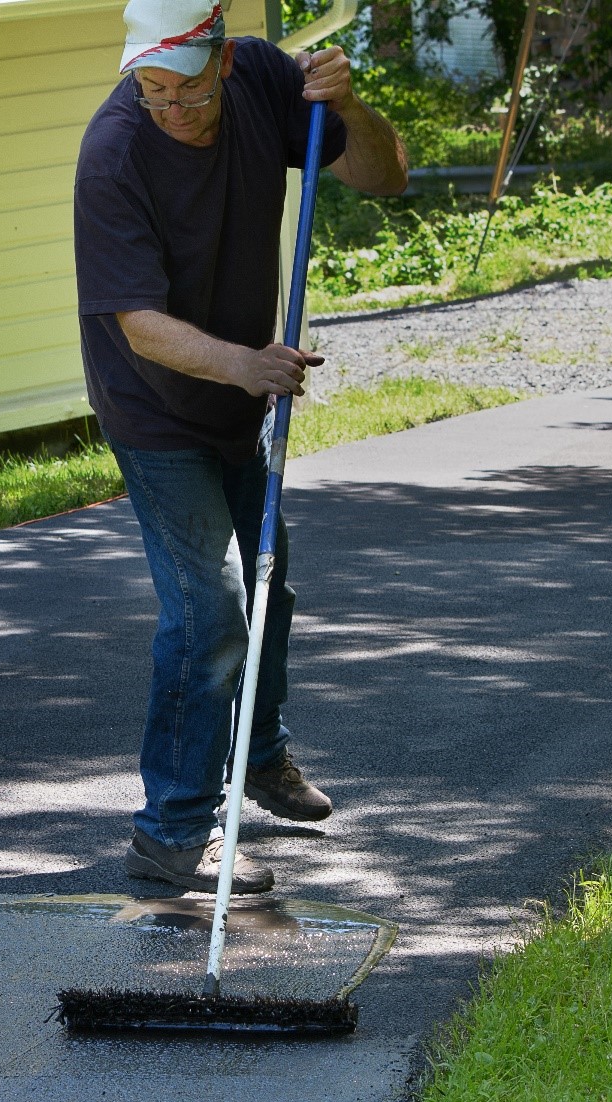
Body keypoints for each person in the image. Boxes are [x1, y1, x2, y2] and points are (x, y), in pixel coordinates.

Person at [74, 0, 407, 893]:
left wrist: (348, 106)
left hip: (236, 403)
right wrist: (247, 365)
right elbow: (138, 325)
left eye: (185, 92)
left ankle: (258, 756)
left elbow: (383, 178)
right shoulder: (114, 154)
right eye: (151, 91)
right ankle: (172, 833)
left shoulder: (262, 77)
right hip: (152, 408)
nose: (170, 110)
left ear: (222, 62)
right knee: (211, 609)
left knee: (269, 588)